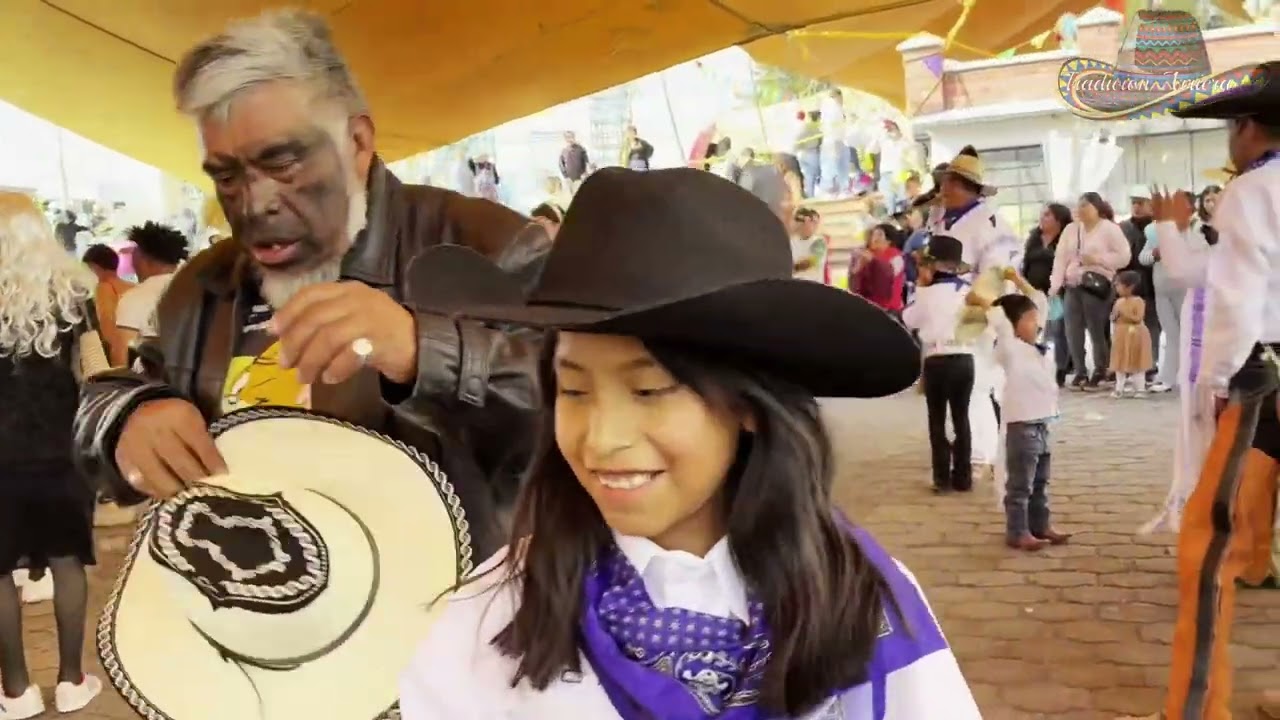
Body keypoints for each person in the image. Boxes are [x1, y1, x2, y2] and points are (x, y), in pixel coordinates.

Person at [398, 166, 980, 720]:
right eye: (574, 391)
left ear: (748, 406)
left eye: (649, 390)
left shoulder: (860, 599)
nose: (601, 438)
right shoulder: (489, 621)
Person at [72, 9, 548, 561]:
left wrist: (423, 351)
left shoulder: (486, 244)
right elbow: (118, 392)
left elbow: (577, 412)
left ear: (357, 140)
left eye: (282, 163)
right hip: (258, 624)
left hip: (459, 621)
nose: (254, 203)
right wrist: (125, 417)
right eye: (226, 176)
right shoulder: (201, 287)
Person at [1120, 59, 1280, 720]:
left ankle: (1198, 707)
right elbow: (1199, 271)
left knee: (1208, 547)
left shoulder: (1254, 190)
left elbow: (1235, 300)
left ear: (1245, 129)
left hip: (1266, 378)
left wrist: (1221, 382)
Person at [0, 193, 103, 718]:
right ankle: (69, 680)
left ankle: (14, 692)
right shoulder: (74, 294)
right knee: (67, 563)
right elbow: (96, 371)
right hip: (62, 450)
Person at [926, 147, 1023, 482]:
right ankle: (968, 454)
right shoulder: (940, 216)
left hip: (975, 305)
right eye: (944, 184)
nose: (944, 190)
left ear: (966, 187)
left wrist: (980, 307)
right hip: (942, 305)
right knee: (960, 385)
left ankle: (982, 455)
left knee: (977, 383)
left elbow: (999, 270)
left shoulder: (990, 221)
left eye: (950, 184)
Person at [968, 267, 1069, 551]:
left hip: (1044, 423)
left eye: (1036, 318)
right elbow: (1000, 317)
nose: (1036, 323)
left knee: (1041, 483)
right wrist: (982, 301)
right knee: (1021, 485)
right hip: (1022, 426)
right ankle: (1017, 531)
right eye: (1028, 319)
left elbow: (1040, 300)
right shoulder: (1009, 347)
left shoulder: (1035, 344)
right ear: (1013, 324)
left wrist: (1017, 279)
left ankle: (1041, 525)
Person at [1138, 188, 1218, 537]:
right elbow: (1184, 270)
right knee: (1202, 423)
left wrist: (1168, 226)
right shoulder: (1209, 239)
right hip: (1208, 347)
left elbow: (1185, 270)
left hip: (1237, 355)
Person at [903, 235, 978, 494]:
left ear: (933, 266)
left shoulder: (927, 293)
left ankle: (942, 479)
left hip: (937, 359)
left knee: (937, 419)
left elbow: (910, 319)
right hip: (965, 357)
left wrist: (920, 289)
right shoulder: (968, 291)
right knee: (961, 418)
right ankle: (963, 478)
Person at [1049, 192, 1132, 391]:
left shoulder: (1109, 229)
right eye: (1079, 205)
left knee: (1097, 329)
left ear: (1097, 208)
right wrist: (1054, 285)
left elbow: (1124, 256)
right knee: (1072, 329)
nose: (1081, 210)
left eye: (1086, 205)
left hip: (1097, 285)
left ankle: (1100, 369)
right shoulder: (1071, 230)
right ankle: (1080, 371)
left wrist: (1098, 259)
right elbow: (1060, 258)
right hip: (1073, 284)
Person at [1140, 191, 1198, 393]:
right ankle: (1168, 378)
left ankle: (1192, 376)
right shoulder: (1158, 231)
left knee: (1190, 333)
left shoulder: (1195, 230)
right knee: (1172, 334)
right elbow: (1143, 257)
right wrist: (1154, 254)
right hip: (1162, 289)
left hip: (1185, 289)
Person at [114, 221, 188, 366]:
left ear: (142, 258)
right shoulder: (197, 286)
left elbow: (122, 356)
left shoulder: (134, 298)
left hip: (156, 384)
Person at [1023, 203, 1074, 385]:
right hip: (1034, 290)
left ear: (1058, 219)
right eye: (1042, 214)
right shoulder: (1034, 238)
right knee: (1032, 329)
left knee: (1059, 330)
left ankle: (1061, 368)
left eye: (1047, 215)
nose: (1042, 218)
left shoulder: (1066, 239)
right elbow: (1026, 262)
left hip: (1056, 292)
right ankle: (1031, 367)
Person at [1120, 186, 1161, 382]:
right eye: (1134, 202)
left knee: (1151, 325)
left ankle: (1150, 364)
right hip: (1129, 285)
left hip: (1152, 284)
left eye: (1141, 203)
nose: (1136, 206)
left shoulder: (1159, 226)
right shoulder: (1123, 228)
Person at [81, 243, 134, 365]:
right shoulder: (133, 287)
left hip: (120, 356)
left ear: (94, 267)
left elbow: (108, 326)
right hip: (140, 351)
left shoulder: (104, 287)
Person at [1108, 270, 1154, 398]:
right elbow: (1113, 316)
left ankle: (1139, 388)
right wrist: (1114, 316)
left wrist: (1124, 313)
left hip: (1136, 334)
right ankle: (1119, 388)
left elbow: (1138, 318)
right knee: (1120, 362)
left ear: (1130, 287)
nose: (1116, 288)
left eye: (1119, 285)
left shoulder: (1138, 301)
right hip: (1121, 334)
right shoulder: (1118, 302)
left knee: (1137, 362)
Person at [850, 223, 905, 320]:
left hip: (889, 310)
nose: (874, 238)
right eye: (873, 234)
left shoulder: (896, 257)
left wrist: (873, 261)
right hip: (868, 307)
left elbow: (888, 275)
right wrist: (858, 268)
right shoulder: (866, 255)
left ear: (889, 240)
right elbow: (855, 285)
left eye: (879, 234)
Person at [790, 207, 829, 283]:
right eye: (796, 219)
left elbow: (811, 262)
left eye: (801, 220)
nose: (798, 223)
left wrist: (791, 268)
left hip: (813, 288)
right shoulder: (791, 241)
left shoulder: (819, 242)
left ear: (809, 221)